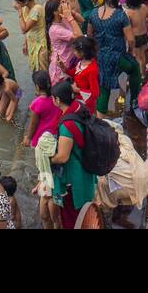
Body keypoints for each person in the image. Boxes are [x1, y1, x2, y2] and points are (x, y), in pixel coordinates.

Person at [49, 79, 98, 229]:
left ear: (57, 100)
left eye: (53, 98)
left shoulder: (67, 125)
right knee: (84, 207)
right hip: (85, 167)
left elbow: (63, 157)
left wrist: (48, 159)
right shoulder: (79, 108)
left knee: (71, 214)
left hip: (73, 176)